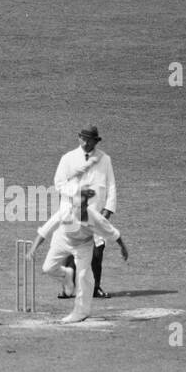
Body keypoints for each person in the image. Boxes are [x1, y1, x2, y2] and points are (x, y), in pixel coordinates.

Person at [28, 188, 128, 324]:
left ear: (85, 206)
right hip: (62, 240)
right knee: (48, 268)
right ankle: (66, 275)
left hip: (83, 246)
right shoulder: (65, 212)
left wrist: (123, 247)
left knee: (83, 276)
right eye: (74, 206)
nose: (76, 210)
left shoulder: (94, 218)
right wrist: (32, 249)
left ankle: (81, 312)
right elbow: (45, 230)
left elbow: (112, 232)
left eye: (80, 207)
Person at [54, 125, 117, 299]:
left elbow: (111, 185)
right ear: (79, 138)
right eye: (86, 139)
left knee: (97, 251)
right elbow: (59, 183)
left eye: (92, 141)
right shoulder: (68, 159)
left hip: (95, 214)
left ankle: (95, 287)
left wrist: (108, 209)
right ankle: (67, 288)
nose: (89, 143)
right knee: (70, 251)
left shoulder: (104, 160)